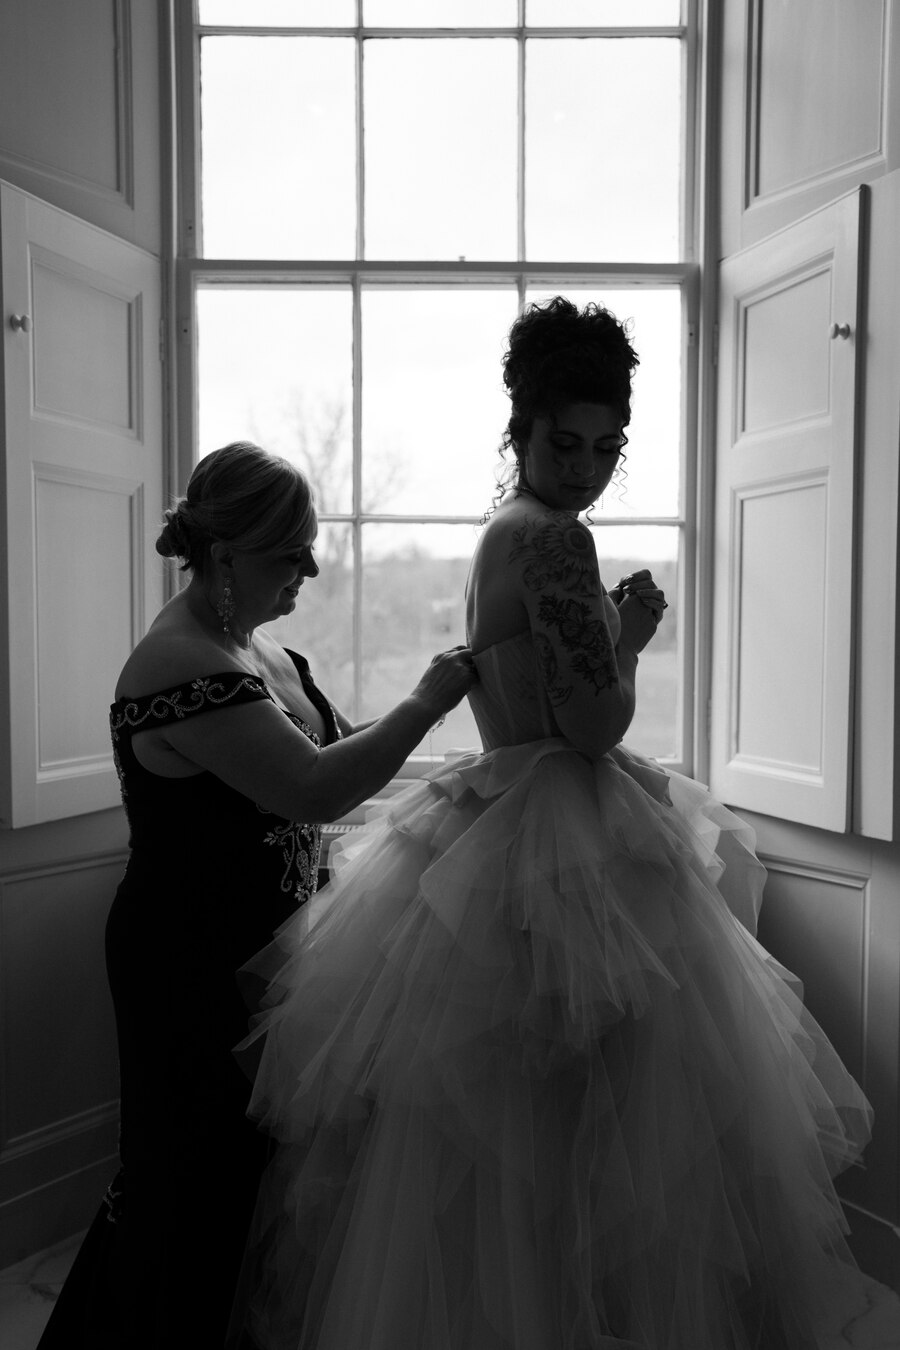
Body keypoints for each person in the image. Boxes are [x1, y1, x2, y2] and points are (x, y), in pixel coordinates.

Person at [232, 300, 898, 1350]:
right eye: (565, 443)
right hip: (559, 821)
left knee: (515, 1130)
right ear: (521, 428)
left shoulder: (501, 525)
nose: (585, 468)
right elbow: (590, 726)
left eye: (606, 448)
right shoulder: (553, 543)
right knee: (592, 1128)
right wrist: (629, 637)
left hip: (502, 808)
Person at [37, 441, 475, 1350]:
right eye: (293, 552)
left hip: (272, 957)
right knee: (185, 1180)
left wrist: (475, 779)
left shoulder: (264, 649)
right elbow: (315, 789)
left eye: (314, 547)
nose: (312, 569)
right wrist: (430, 701)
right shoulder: (177, 665)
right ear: (226, 553)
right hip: (188, 961)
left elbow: (356, 760)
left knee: (258, 1181)